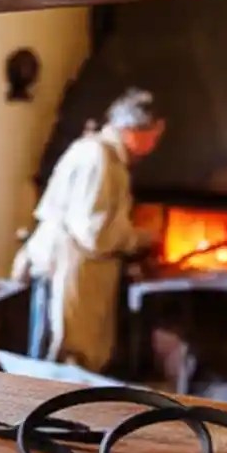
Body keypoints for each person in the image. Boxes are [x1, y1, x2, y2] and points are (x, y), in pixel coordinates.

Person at [12, 88, 166, 372]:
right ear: (134, 130)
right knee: (67, 363)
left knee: (77, 362)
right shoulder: (98, 158)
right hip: (71, 269)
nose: (155, 144)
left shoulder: (104, 155)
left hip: (81, 270)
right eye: (154, 135)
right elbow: (94, 234)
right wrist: (141, 238)